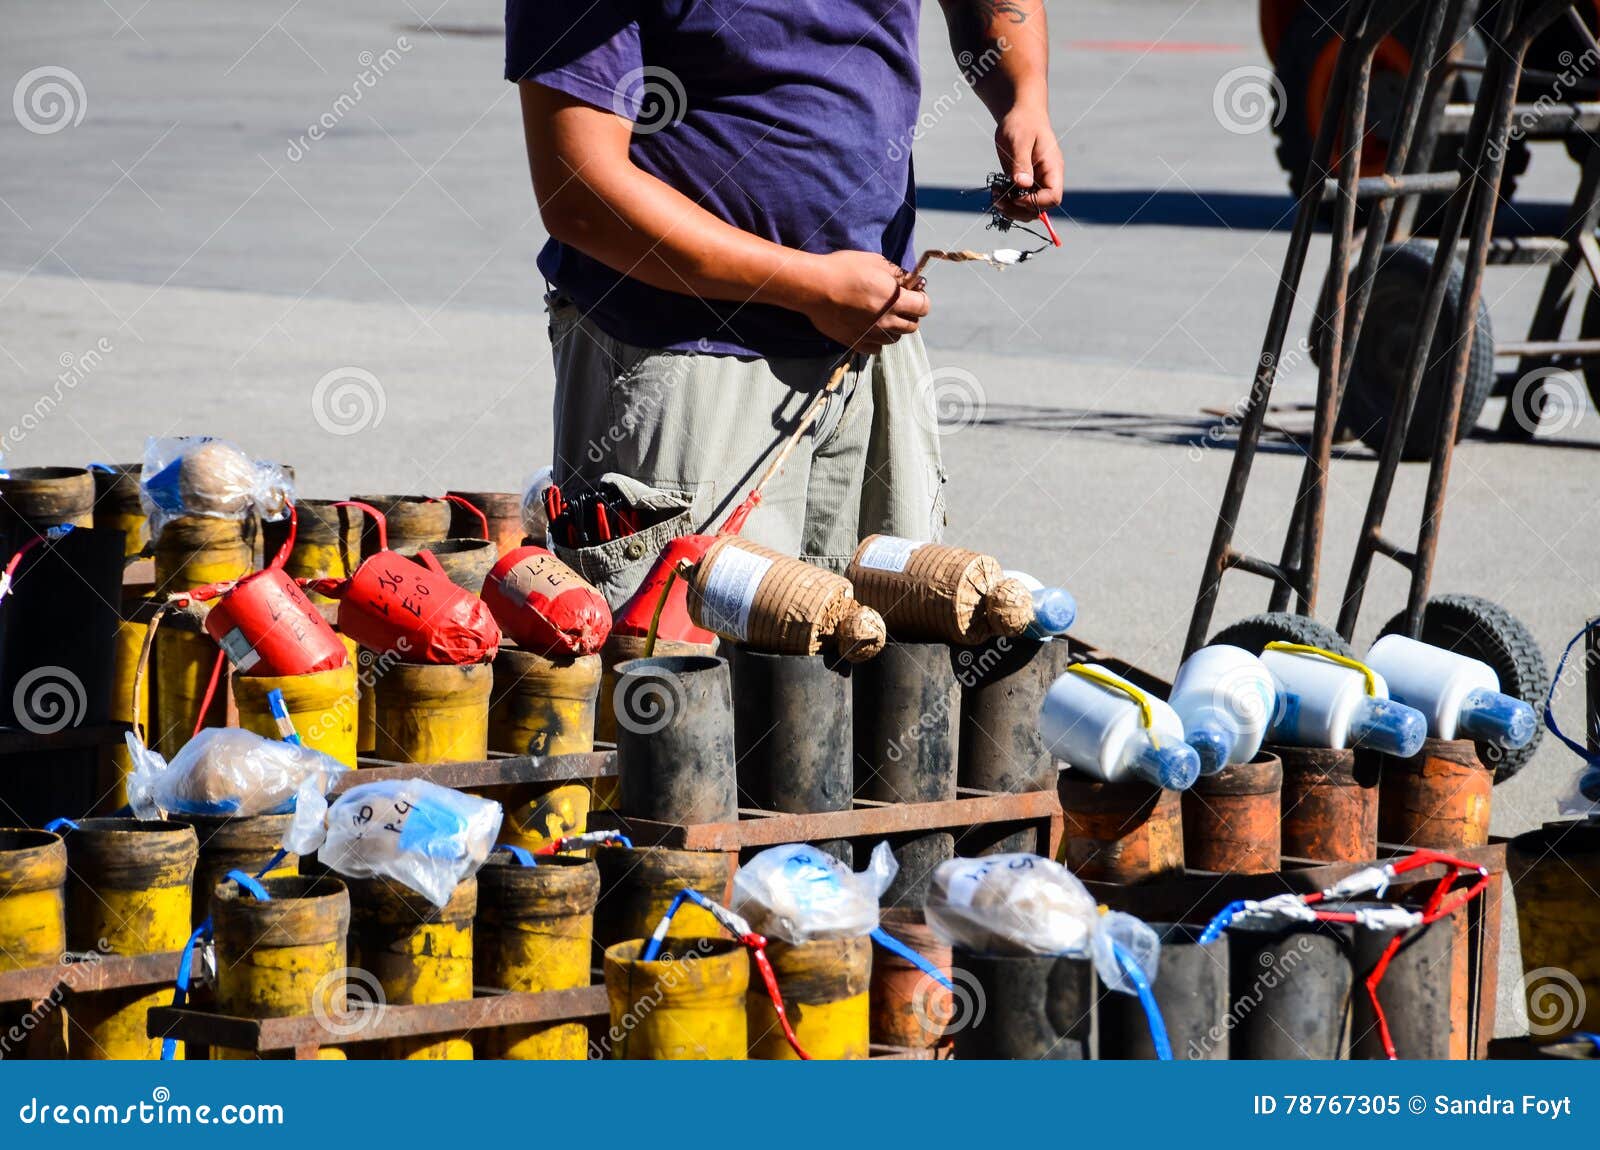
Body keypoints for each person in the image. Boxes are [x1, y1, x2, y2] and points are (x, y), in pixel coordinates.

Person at [507, 0, 1061, 605]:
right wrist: (811, 286)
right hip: (688, 361)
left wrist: (1023, 96)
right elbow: (579, 194)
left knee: (887, 661)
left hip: (869, 345)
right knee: (689, 674)